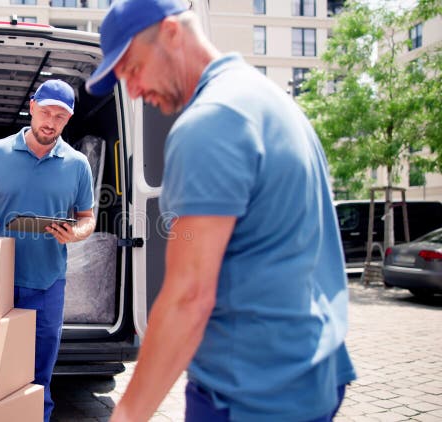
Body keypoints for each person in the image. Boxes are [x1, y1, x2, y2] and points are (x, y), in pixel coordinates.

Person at [85, 0, 357, 421]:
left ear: (172, 33)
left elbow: (188, 296)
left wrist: (127, 414)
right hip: (311, 374)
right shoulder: (266, 99)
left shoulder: (210, 124)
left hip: (251, 392)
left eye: (132, 68)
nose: (133, 90)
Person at [0, 79, 96, 422]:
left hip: (47, 284)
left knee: (38, 375)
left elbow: (88, 218)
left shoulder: (77, 164)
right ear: (32, 106)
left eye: (60, 117)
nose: (50, 122)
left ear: (69, 119)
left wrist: (75, 234)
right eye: (45, 112)